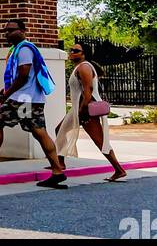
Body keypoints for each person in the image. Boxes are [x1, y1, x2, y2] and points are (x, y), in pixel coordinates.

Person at [0, 18, 67, 189]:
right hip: (31, 99)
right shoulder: (20, 49)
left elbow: (23, 75)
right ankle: (57, 171)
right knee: (39, 132)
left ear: (23, 30)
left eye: (11, 30)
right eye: (6, 30)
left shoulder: (24, 49)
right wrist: (6, 90)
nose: (8, 33)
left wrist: (7, 93)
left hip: (22, 99)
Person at [54, 42, 126, 181]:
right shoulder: (80, 67)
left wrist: (83, 110)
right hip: (78, 108)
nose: (72, 52)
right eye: (71, 50)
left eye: (76, 50)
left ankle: (119, 170)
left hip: (85, 108)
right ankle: (60, 163)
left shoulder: (84, 67)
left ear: (83, 54)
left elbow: (88, 91)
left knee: (100, 140)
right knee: (60, 129)